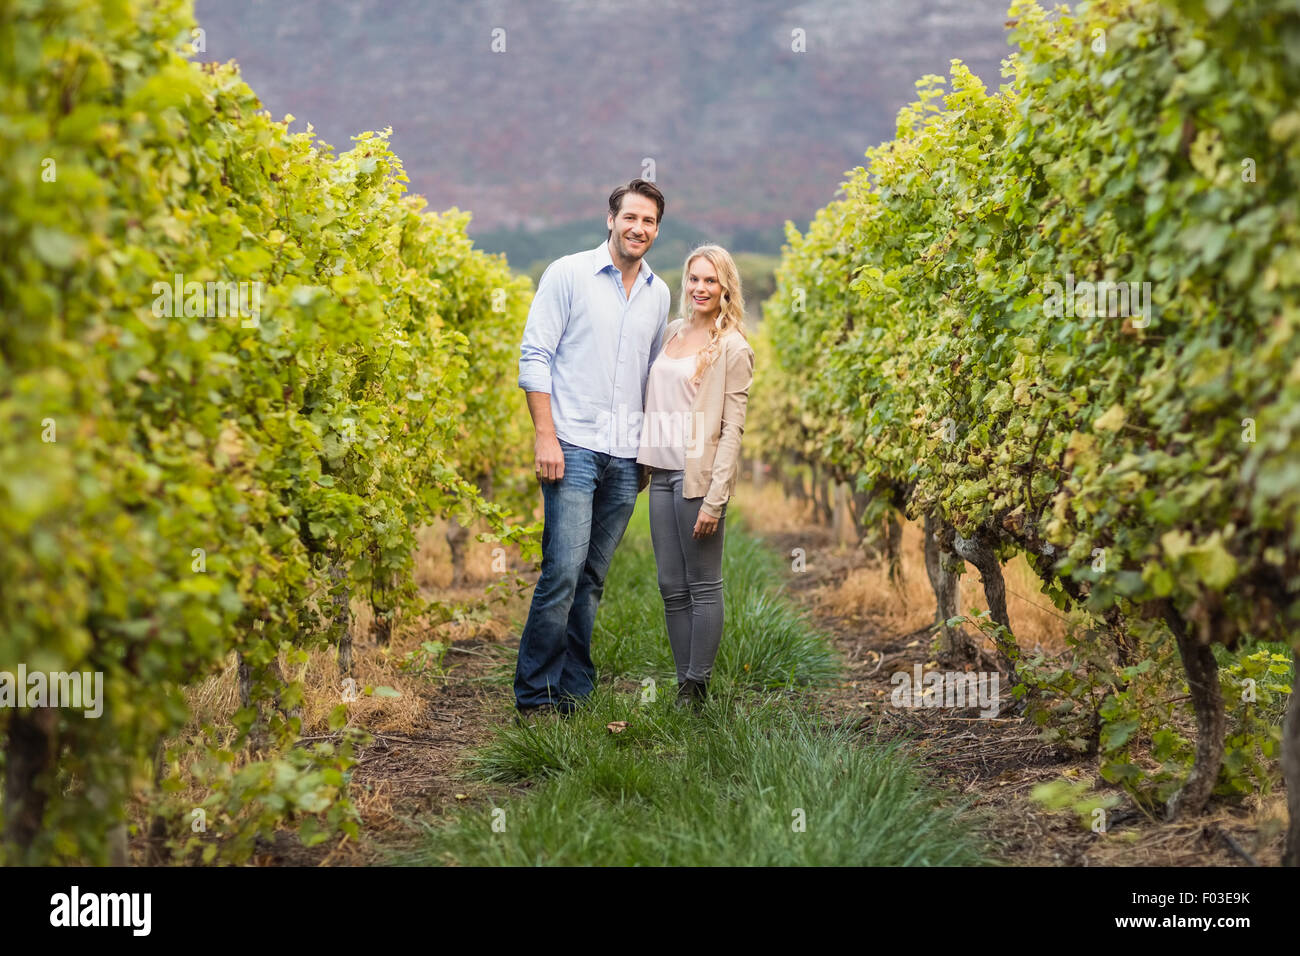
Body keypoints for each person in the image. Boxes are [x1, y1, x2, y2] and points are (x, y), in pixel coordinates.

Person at [513, 179, 671, 722]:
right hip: (572, 444)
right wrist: (545, 434)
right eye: (631, 217)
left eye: (649, 221)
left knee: (593, 577)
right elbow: (535, 356)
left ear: (656, 229)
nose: (638, 228)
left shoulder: (659, 292)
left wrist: (647, 451)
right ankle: (535, 693)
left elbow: (651, 375)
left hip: (625, 457)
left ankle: (575, 689)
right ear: (611, 219)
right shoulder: (568, 274)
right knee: (562, 569)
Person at [636, 244, 755, 711]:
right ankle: (683, 680)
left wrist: (714, 498)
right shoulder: (671, 333)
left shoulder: (733, 347)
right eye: (694, 279)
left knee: (703, 583)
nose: (700, 288)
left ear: (726, 287)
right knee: (670, 584)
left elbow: (732, 430)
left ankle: (695, 688)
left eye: (711, 281)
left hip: (696, 477)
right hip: (661, 472)